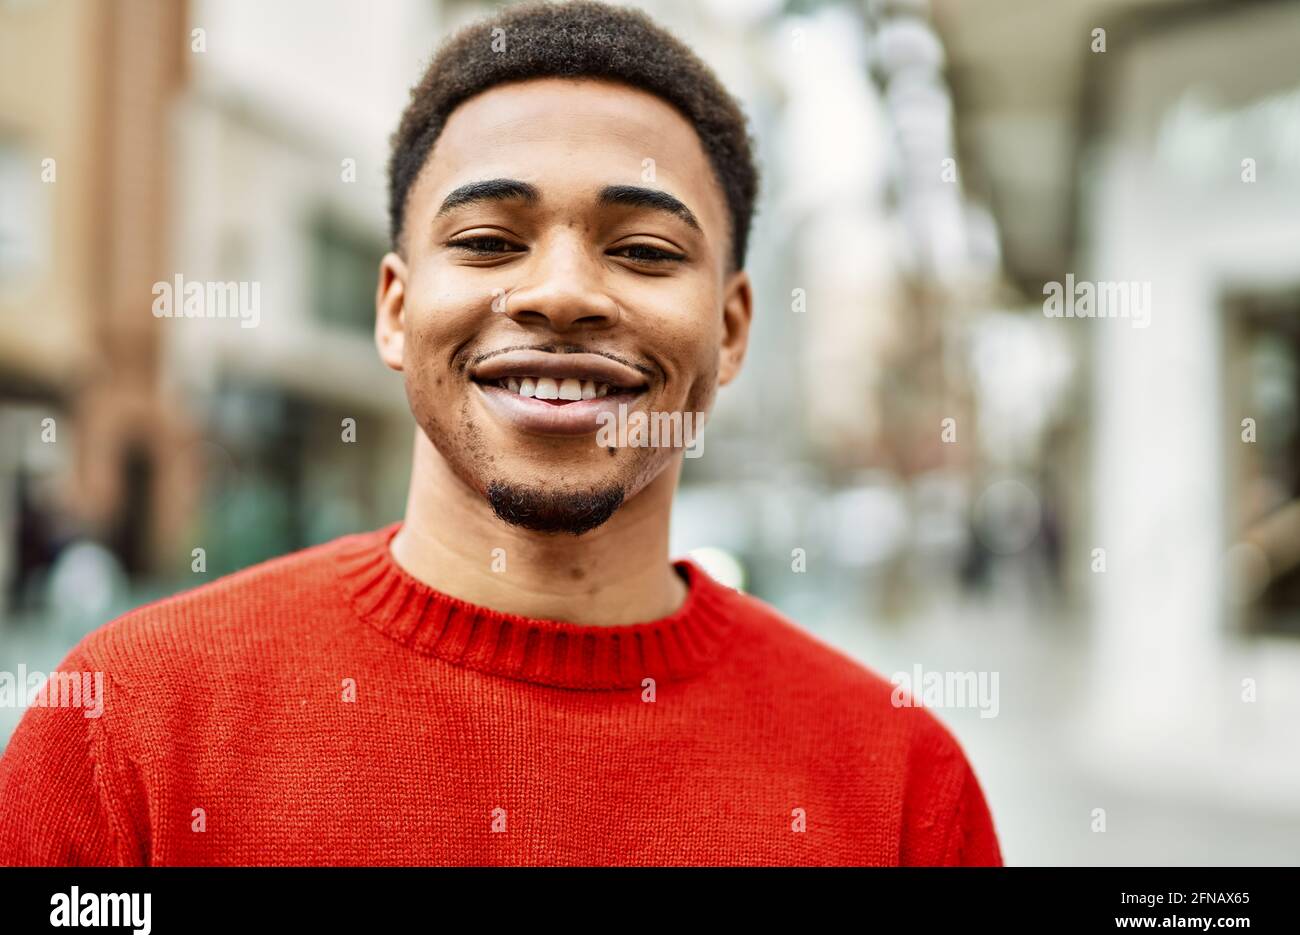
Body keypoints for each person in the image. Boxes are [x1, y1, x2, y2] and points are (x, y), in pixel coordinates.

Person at [0, 0, 1001, 865]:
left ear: (731, 328)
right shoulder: (125, 724)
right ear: (394, 309)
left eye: (644, 250)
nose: (561, 293)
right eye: (487, 241)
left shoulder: (898, 782)